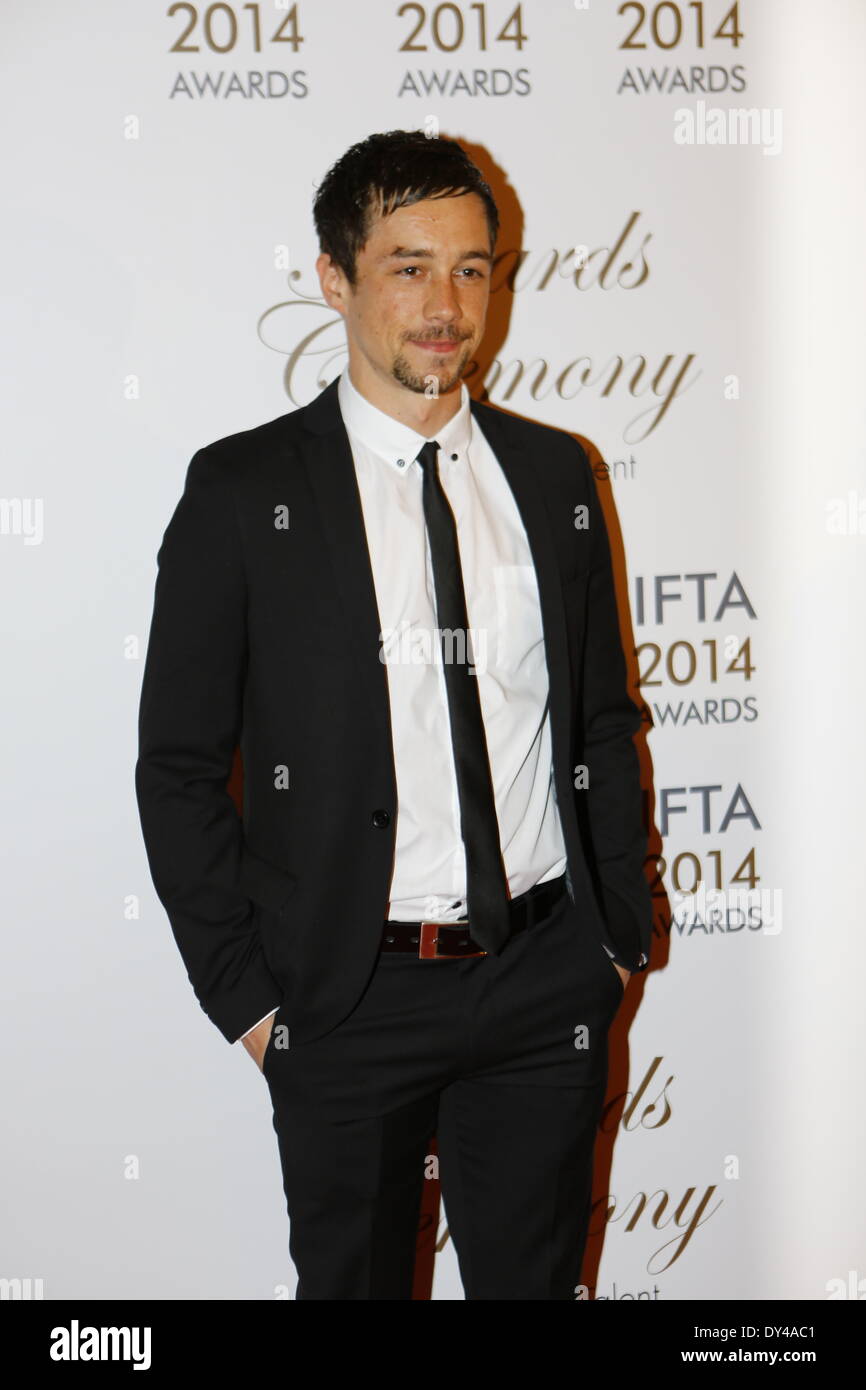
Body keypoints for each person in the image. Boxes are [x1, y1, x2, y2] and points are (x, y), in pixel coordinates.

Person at [135, 129, 652, 1300]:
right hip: (345, 994)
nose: (445, 302)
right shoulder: (244, 491)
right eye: (408, 265)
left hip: (540, 980)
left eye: (472, 267)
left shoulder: (552, 474)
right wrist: (252, 1001)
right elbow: (176, 766)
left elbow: (601, 720)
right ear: (335, 279)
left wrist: (611, 934)